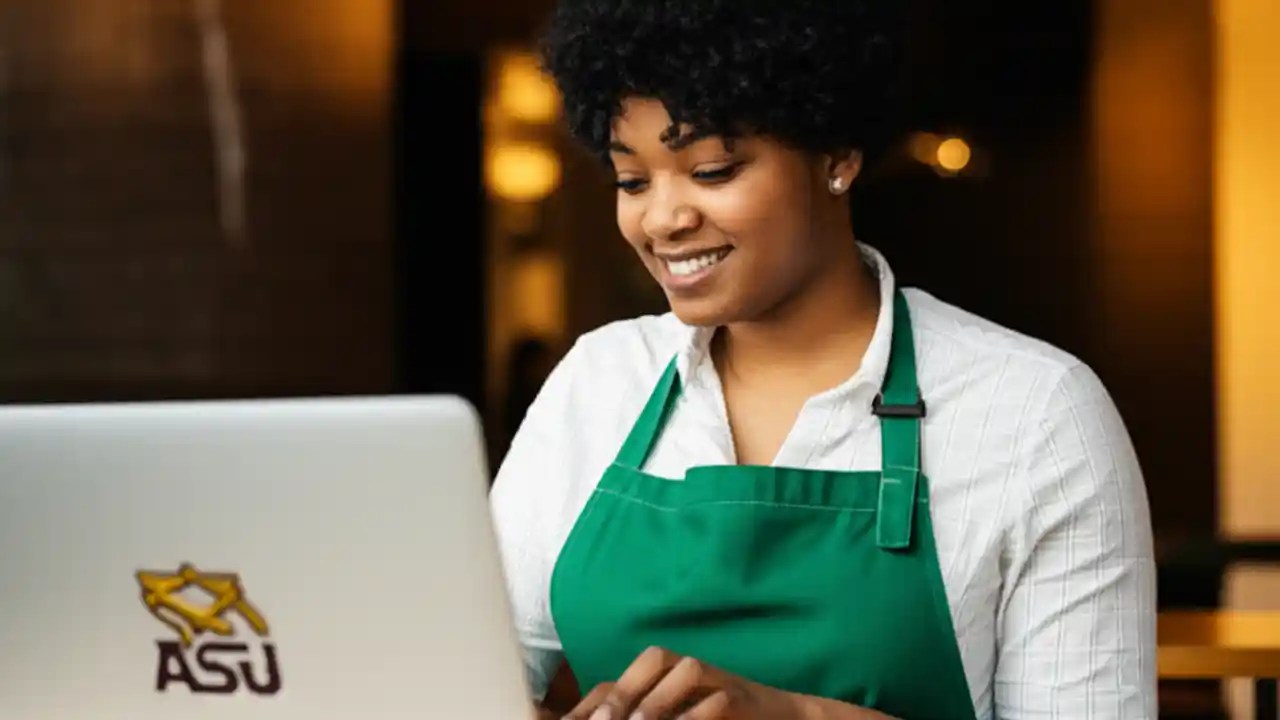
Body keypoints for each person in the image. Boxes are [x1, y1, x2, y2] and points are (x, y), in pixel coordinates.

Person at [489, 2, 1158, 719]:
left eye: (713, 170)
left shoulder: (1034, 411)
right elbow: (460, 677)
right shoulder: (599, 382)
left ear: (836, 157)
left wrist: (797, 716)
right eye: (633, 181)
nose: (662, 219)